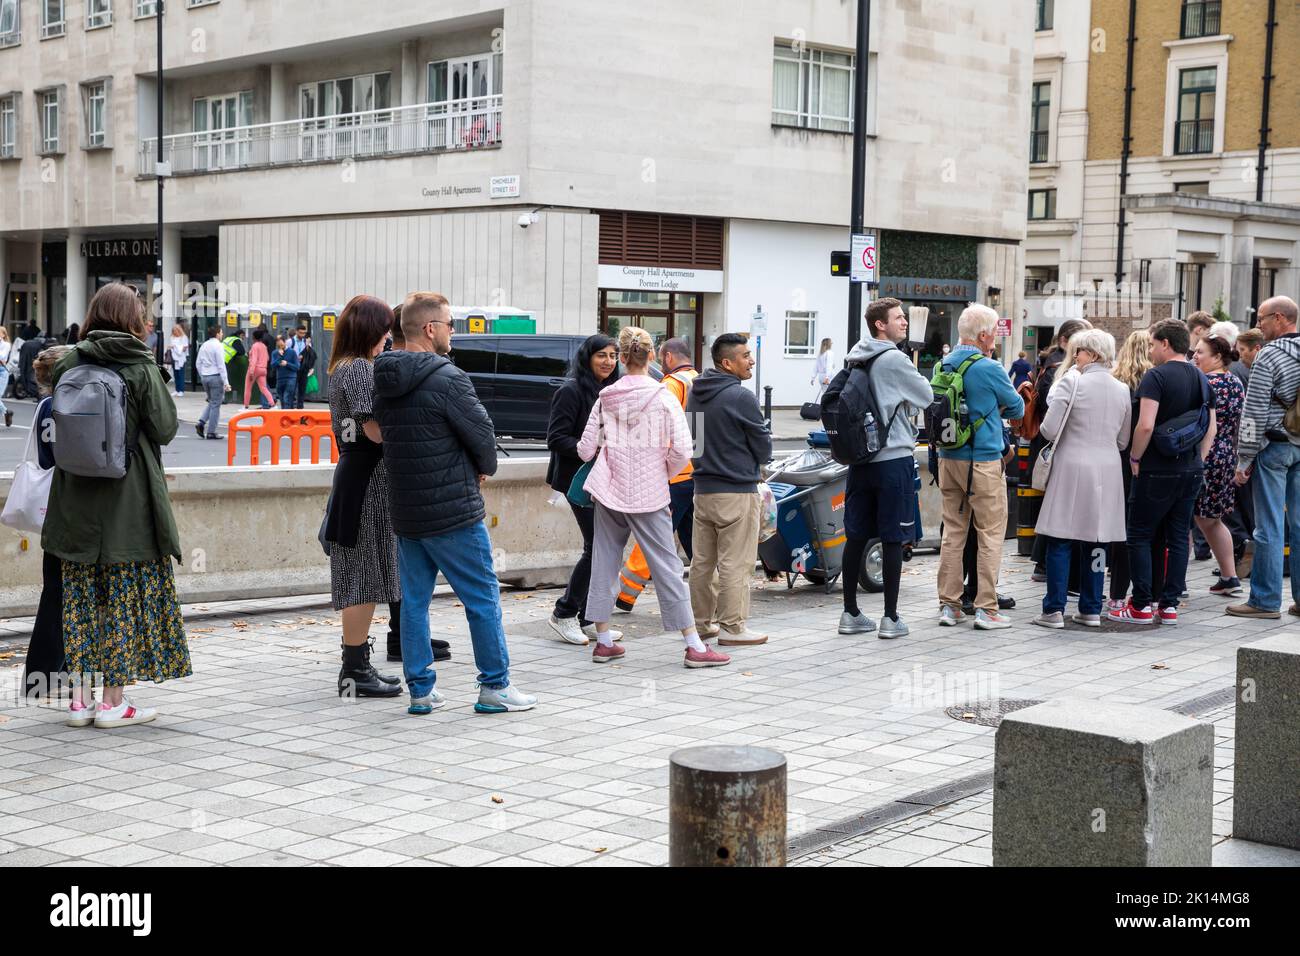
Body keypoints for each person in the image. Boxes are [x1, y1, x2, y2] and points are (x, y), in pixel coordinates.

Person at [373, 291, 537, 712]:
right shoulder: (448, 376)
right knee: (482, 598)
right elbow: (482, 435)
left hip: (407, 510)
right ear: (430, 329)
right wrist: (482, 467)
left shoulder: (383, 376)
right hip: (453, 510)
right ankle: (495, 686)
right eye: (450, 324)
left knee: (414, 604)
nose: (454, 332)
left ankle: (421, 691)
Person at [42, 283, 191, 728]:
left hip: (74, 502)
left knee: (81, 601)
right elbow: (165, 428)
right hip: (128, 503)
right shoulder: (139, 364)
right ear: (131, 318)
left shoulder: (69, 359)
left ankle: (79, 701)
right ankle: (113, 703)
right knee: (123, 602)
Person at [578, 326, 727, 668]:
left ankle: (602, 640)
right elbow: (684, 449)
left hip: (609, 490)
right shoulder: (662, 397)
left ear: (622, 357)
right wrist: (663, 471)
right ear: (653, 357)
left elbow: (585, 450)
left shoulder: (606, 396)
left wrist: (609, 447)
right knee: (667, 568)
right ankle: (693, 646)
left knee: (604, 561)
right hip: (650, 492)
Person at [321, 296, 403, 699]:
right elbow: (374, 431)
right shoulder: (358, 370)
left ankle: (358, 665)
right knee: (362, 578)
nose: (389, 336)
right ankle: (353, 669)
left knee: (365, 575)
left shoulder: (345, 367)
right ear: (372, 330)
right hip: (366, 481)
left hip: (360, 477)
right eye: (385, 328)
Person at [1109, 319, 1214, 626]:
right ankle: (1168, 606)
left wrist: (1135, 457)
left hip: (1156, 468)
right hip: (1191, 468)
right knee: (1179, 536)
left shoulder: (1155, 377)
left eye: (1154, 344)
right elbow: (1211, 427)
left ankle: (1140, 605)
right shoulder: (1201, 377)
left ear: (1166, 344)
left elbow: (1145, 424)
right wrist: (1198, 460)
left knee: (1139, 535)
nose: (1151, 350)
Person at [839, 298, 932, 638]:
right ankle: (890, 619)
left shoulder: (855, 355)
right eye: (898, 317)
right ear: (881, 325)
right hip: (892, 458)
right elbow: (925, 395)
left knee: (856, 536)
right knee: (895, 537)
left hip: (859, 460)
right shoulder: (894, 358)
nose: (904, 322)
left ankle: (850, 613)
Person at [1032, 329, 1131, 628]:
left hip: (1072, 464)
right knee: (1097, 541)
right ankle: (1090, 607)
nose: (1076, 357)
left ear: (1095, 354)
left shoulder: (1070, 383)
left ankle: (1054, 609)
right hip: (1108, 467)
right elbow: (1123, 440)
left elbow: (1049, 430)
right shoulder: (1122, 389)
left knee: (1060, 538)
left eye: (1081, 352)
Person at [935, 304, 1024, 628]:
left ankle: (950, 605)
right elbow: (1016, 407)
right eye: (995, 332)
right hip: (983, 462)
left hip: (949, 460)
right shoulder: (990, 368)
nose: (996, 338)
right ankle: (987, 609)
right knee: (989, 534)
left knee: (954, 534)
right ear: (984, 335)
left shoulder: (944, 363)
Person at [687, 332, 773, 646]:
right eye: (746, 356)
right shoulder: (741, 396)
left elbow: (693, 443)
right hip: (736, 491)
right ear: (728, 362)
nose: (751, 360)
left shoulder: (695, 393)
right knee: (736, 563)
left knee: (702, 563)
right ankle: (733, 628)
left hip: (703, 490)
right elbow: (763, 448)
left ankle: (701, 624)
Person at [545, 334, 623, 645]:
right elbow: (555, 437)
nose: (608, 361)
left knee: (604, 548)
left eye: (613, 356)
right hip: (577, 479)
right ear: (587, 357)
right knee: (596, 547)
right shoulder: (572, 390)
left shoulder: (612, 391)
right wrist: (589, 448)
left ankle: (587, 617)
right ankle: (564, 614)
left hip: (604, 479)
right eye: (601, 355)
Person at [1227, 295, 1300, 619]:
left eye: (1262, 318)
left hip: (1274, 445)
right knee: (1299, 525)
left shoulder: (1269, 356)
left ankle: (1265, 600)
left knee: (1268, 527)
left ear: (1281, 318)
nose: (1258, 324)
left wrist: (1244, 459)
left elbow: (1253, 412)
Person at [614, 337, 698, 613]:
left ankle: (626, 593)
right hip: (694, 470)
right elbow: (700, 432)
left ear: (669, 358)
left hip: (674, 475)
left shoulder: (671, 385)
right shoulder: (698, 380)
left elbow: (659, 428)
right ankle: (707, 591)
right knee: (693, 538)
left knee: (654, 536)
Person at [22, 345, 72, 700]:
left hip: (49, 507)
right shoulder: (72, 405)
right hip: (72, 503)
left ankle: (40, 675)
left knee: (52, 589)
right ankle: (64, 669)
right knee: (71, 592)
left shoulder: (43, 407)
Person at [1028, 318, 1092, 581]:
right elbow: (1050, 413)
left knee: (1052, 505)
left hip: (1048, 443)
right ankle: (1044, 563)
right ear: (1067, 342)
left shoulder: (1048, 362)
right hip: (1054, 444)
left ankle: (1043, 562)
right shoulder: (1060, 368)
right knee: (1056, 507)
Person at [1107, 329, 1160, 614]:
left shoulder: (1117, 382)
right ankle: (1150, 594)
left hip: (1121, 458)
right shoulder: (1157, 380)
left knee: (1122, 528)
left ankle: (1116, 593)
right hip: (1148, 459)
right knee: (1147, 530)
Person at [1192, 328, 1245, 597]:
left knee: (1193, 517)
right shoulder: (1235, 382)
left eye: (1200, 352)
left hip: (1205, 454)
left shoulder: (1206, 384)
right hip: (1226, 454)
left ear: (1218, 356)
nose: (1195, 356)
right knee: (1210, 518)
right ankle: (1229, 576)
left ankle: (1174, 584)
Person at [194, 324, 231, 440]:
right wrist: (226, 382)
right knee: (216, 404)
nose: (222, 334)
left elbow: (198, 363)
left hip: (205, 376)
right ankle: (211, 431)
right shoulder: (218, 346)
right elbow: (221, 365)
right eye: (221, 332)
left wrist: (202, 375)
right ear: (217, 334)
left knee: (212, 401)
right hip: (215, 377)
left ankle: (201, 422)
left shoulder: (204, 345)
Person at [244, 327, 273, 408]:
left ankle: (246, 406)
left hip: (255, 368)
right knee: (264, 388)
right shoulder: (264, 346)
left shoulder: (254, 346)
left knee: (248, 387)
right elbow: (267, 358)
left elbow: (254, 359)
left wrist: (251, 372)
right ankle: (272, 404)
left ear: (254, 337)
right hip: (263, 369)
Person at [272, 334, 300, 409]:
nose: (280, 346)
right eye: (278, 345)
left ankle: (286, 417)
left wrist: (287, 364)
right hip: (280, 378)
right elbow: (273, 365)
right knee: (282, 400)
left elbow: (297, 367)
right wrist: (279, 356)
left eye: (281, 344)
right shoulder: (275, 353)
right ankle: (288, 415)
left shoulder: (292, 352)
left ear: (285, 342)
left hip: (290, 378)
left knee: (286, 398)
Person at [223, 328, 248, 405]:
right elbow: (241, 351)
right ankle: (223, 398)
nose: (244, 338)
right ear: (241, 335)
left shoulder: (228, 338)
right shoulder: (236, 340)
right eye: (243, 336)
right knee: (224, 379)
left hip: (220, 358)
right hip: (225, 360)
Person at [296, 330, 316, 409]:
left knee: (302, 387)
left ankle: (300, 405)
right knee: (294, 386)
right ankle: (294, 403)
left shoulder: (308, 345)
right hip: (295, 367)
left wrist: (307, 345)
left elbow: (311, 356)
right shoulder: (293, 342)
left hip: (304, 368)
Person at [169, 320, 190, 396]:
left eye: (175, 331)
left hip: (181, 359)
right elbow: (171, 346)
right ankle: (177, 389)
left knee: (181, 374)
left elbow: (185, 347)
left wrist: (176, 347)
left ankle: (181, 390)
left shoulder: (184, 337)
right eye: (173, 331)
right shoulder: (172, 337)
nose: (175, 333)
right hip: (174, 358)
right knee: (176, 374)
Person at [812, 337, 835, 402]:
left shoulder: (820, 354)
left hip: (821, 376)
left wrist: (813, 377)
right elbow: (829, 366)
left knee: (825, 393)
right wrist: (827, 377)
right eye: (831, 342)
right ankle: (827, 409)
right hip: (828, 377)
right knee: (830, 394)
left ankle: (823, 408)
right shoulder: (829, 353)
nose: (832, 343)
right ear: (828, 344)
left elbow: (816, 366)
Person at [0, 327, 11, 427]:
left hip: (2, 371)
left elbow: (2, 356)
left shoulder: (6, 345)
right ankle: (7, 412)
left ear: (3, 335)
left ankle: (7, 412)